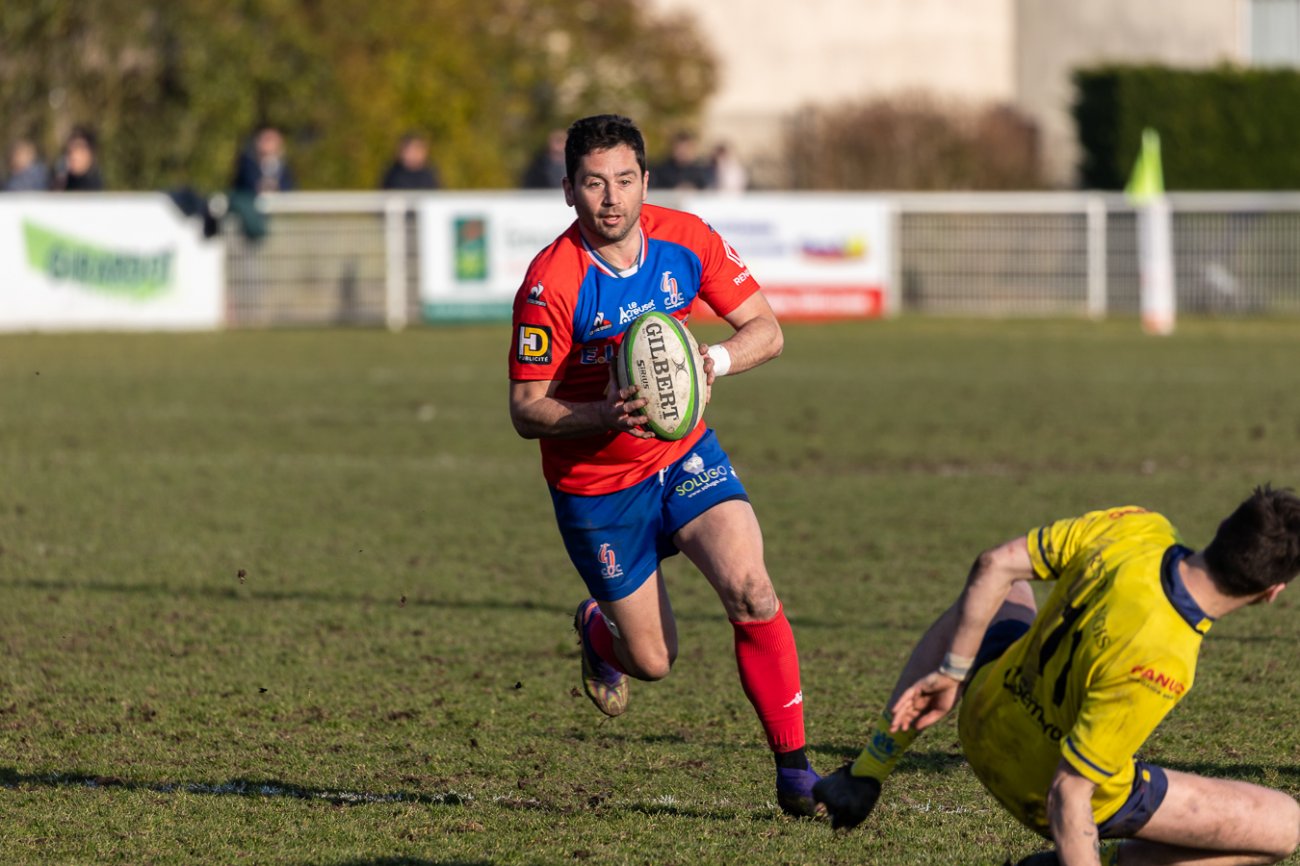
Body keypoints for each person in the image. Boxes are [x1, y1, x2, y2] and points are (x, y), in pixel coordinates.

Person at [507, 114, 821, 816]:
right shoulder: (550, 284)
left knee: (752, 590)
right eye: (594, 183)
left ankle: (797, 773)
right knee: (653, 662)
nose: (611, 198)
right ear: (568, 190)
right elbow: (525, 410)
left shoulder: (687, 239)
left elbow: (766, 330)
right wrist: (600, 414)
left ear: (646, 181)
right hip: (597, 490)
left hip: (682, 455)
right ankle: (599, 630)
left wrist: (713, 361)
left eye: (624, 180)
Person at [814, 487, 1300, 865]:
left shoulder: (1139, 528)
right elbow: (1069, 792)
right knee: (1286, 826)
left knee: (1000, 591)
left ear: (1223, 528)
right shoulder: (1165, 662)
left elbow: (995, 564)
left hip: (983, 714)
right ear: (1271, 592)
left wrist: (952, 672)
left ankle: (868, 771)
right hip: (1037, 791)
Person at [232, 125, 295, 194]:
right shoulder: (246, 163)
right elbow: (246, 184)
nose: (266, 143)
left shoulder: (285, 167)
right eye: (264, 139)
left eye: (270, 139)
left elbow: (288, 187)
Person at [49, 127, 103, 192]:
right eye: (69, 151)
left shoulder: (96, 187)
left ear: (90, 154)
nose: (73, 156)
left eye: (78, 148)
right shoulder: (62, 181)